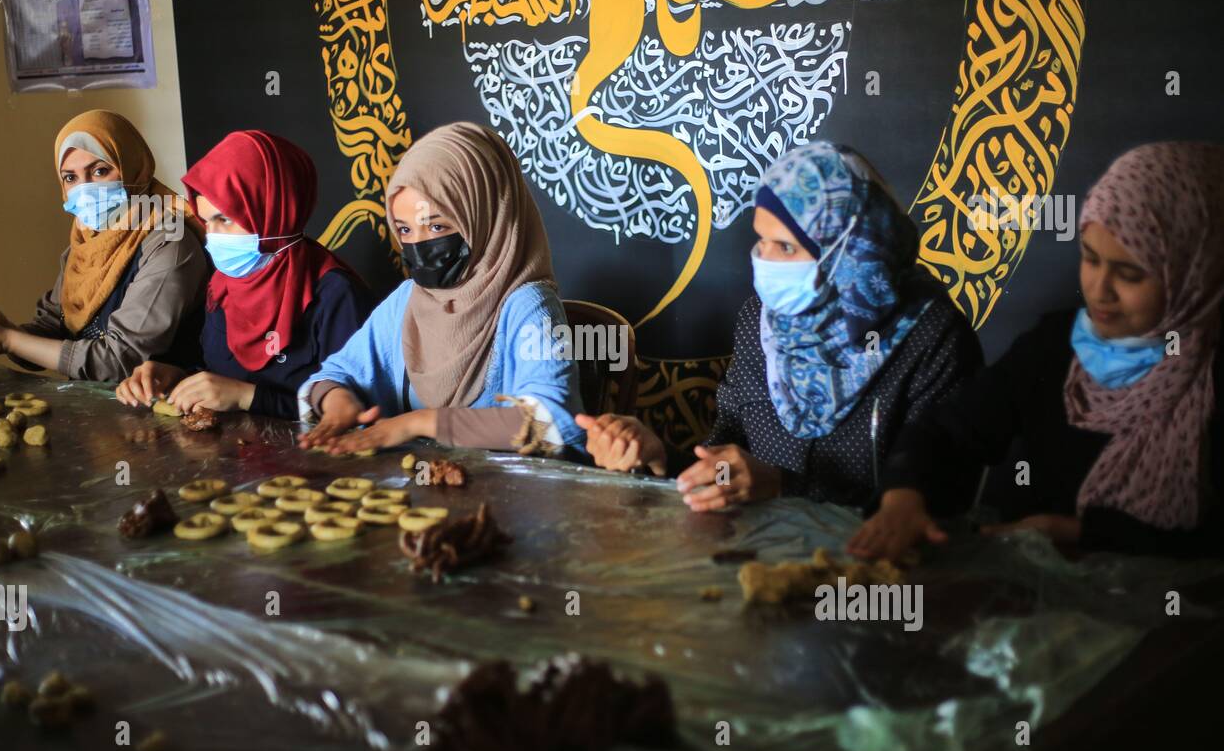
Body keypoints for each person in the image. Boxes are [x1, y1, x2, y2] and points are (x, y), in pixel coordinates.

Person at [849, 142, 1224, 559]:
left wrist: (1084, 535)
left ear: (1198, 269)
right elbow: (949, 431)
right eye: (1091, 258)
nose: (1099, 291)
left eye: (1131, 274)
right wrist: (905, 494)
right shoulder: (1059, 343)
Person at [576, 141, 983, 510]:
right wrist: (658, 457)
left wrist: (784, 487)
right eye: (761, 240)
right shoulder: (762, 322)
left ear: (852, 248)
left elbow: (937, 510)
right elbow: (724, 464)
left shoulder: (932, 338)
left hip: (875, 581)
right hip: (758, 567)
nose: (764, 262)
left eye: (786, 247)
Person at [296, 122, 585, 457]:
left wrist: (416, 423)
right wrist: (337, 401)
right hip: (415, 497)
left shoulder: (529, 305)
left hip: (506, 503)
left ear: (484, 217)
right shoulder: (407, 300)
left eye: (436, 226)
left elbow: (552, 423)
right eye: (404, 229)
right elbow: (335, 374)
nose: (418, 246)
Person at [114, 131, 375, 417]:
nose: (213, 236)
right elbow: (215, 373)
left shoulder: (335, 294)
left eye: (225, 219)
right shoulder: (223, 284)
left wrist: (248, 397)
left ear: (273, 211)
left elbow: (357, 412)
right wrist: (174, 376)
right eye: (207, 220)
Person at [0, 110, 207, 381]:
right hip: (101, 408)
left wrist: (9, 340)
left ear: (134, 167)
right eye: (70, 178)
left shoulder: (169, 241)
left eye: (100, 171)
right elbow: (57, 324)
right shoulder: (86, 242)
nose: (84, 189)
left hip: (167, 409)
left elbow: (121, 359)